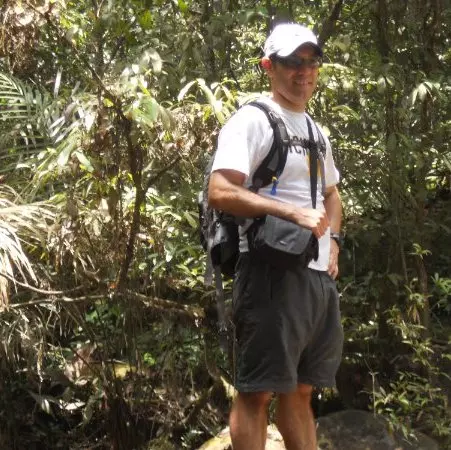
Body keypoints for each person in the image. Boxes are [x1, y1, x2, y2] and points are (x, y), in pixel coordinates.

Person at [208, 23, 344, 450]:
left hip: (318, 278)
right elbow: (220, 190)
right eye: (291, 62)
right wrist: (290, 211)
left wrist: (334, 241)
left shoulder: (317, 131)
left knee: (302, 391)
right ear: (269, 66)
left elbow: (333, 194)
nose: (303, 72)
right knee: (257, 392)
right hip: (269, 273)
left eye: (311, 62)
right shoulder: (252, 119)